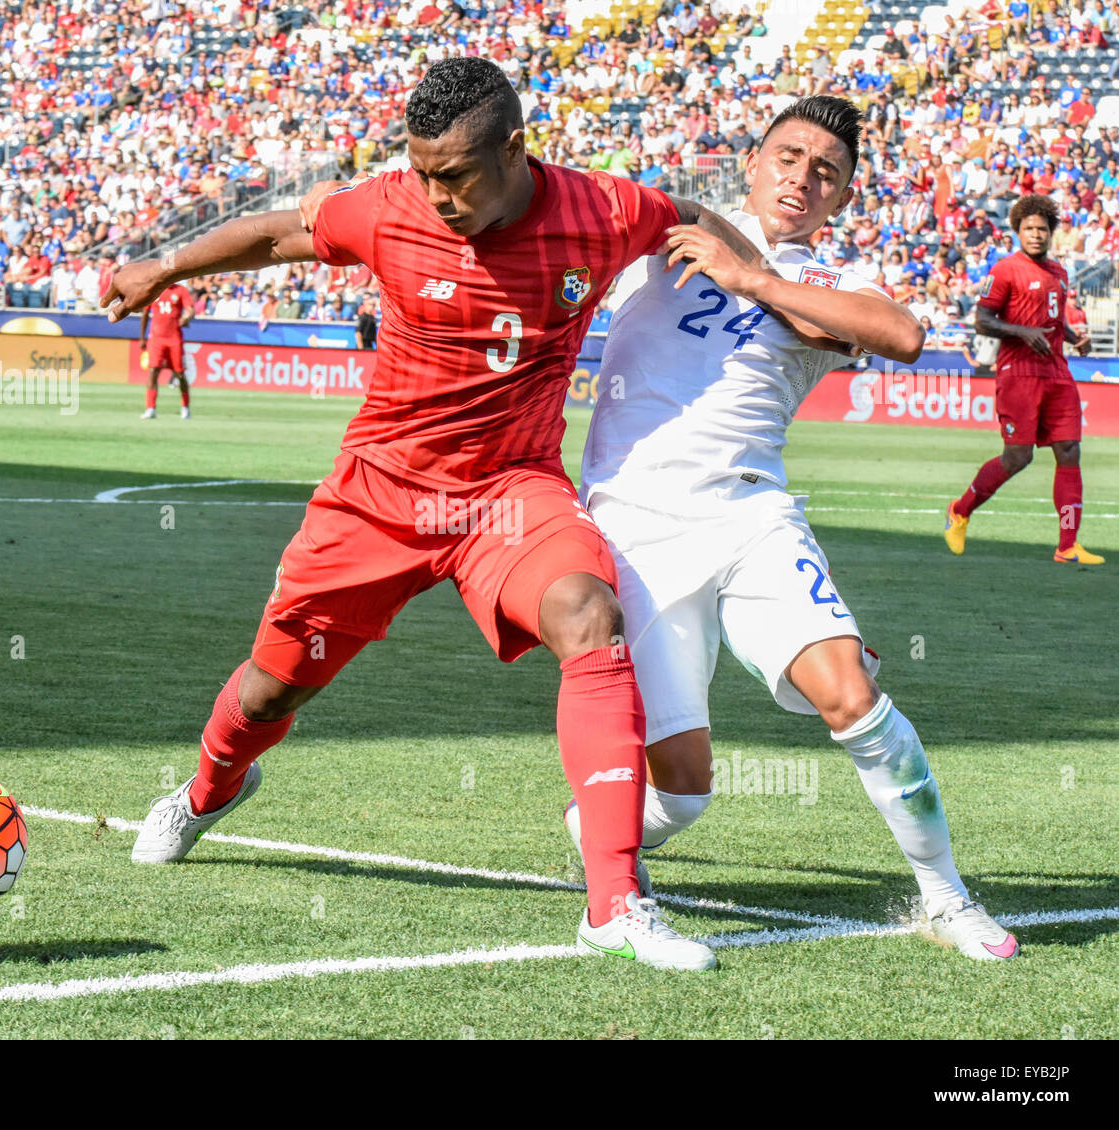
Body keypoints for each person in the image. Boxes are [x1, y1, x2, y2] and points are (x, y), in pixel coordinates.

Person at [102, 57, 828, 972]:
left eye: (454, 175)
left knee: (588, 615)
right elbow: (283, 230)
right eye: (422, 172)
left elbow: (686, 216)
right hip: (379, 497)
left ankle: (615, 903)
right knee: (273, 689)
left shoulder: (602, 209)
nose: (436, 194)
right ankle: (207, 790)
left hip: (509, 492)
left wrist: (757, 281)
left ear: (515, 151)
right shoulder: (388, 207)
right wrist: (163, 265)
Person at [567, 96, 1019, 963]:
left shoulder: (835, 280)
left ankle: (947, 899)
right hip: (637, 524)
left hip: (753, 515)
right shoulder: (670, 230)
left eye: (826, 173)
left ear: (841, 198)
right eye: (788, 157)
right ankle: (598, 828)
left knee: (853, 697)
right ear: (752, 161)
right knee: (684, 794)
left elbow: (904, 335)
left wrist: (754, 280)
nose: (802, 179)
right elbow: (586, 222)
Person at [945, 194, 1101, 564]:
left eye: (1042, 229)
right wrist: (1021, 332)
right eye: (1029, 228)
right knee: (1018, 456)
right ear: (1018, 231)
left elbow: (1053, 320)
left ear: (1050, 232)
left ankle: (1067, 545)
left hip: (1057, 371)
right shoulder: (1005, 270)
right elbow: (983, 320)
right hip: (1019, 373)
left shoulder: (1059, 272)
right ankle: (960, 510)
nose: (1035, 234)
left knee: (1069, 450)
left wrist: (1074, 338)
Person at [138, 281, 195, 419]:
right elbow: (145, 313)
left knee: (179, 374)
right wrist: (142, 337)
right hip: (156, 339)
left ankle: (185, 406)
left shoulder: (181, 290)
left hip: (174, 339)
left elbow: (190, 310)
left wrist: (187, 317)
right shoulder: (154, 289)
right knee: (153, 371)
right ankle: (150, 408)